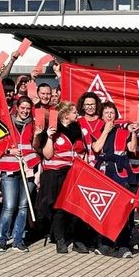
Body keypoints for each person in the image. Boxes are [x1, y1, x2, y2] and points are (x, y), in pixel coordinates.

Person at [36, 101, 89, 254]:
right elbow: (47, 155)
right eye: (74, 112)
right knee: (58, 207)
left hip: (73, 173)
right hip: (55, 174)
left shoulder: (77, 129)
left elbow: (82, 151)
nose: (77, 114)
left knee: (76, 207)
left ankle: (77, 241)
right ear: (65, 115)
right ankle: (60, 239)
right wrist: (49, 137)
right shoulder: (53, 129)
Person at [90, 101, 137, 258]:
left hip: (120, 172)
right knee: (106, 208)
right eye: (106, 113)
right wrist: (106, 131)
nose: (109, 116)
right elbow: (96, 148)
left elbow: (132, 149)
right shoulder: (97, 132)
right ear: (102, 116)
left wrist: (133, 133)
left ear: (116, 115)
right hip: (104, 173)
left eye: (112, 113)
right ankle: (106, 243)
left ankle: (123, 244)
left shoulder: (123, 132)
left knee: (122, 209)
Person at [0, 95, 40, 253]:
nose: (25, 111)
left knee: (23, 206)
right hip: (9, 167)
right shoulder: (7, 123)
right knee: (9, 206)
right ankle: (1, 239)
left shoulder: (34, 124)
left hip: (29, 168)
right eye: (22, 108)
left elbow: (36, 146)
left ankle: (18, 239)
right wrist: (9, 150)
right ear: (17, 108)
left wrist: (38, 134)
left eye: (28, 109)